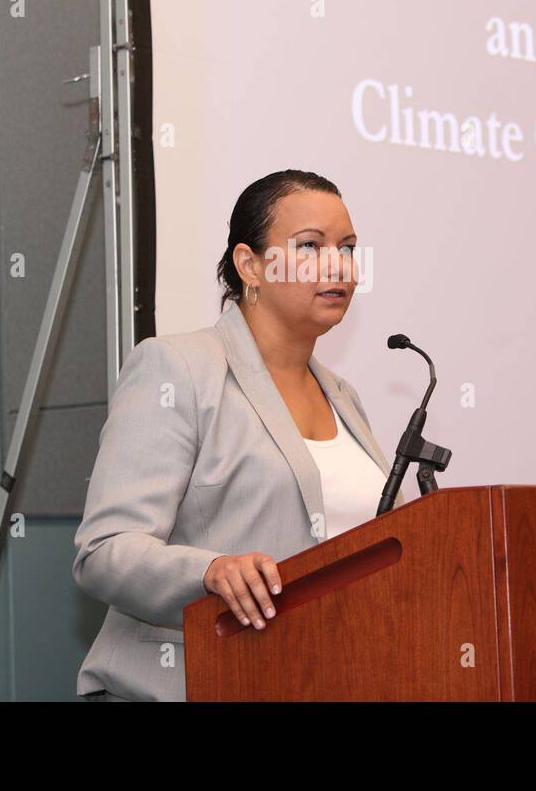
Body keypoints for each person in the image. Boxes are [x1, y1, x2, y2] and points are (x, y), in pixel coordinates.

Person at [73, 169, 405, 701]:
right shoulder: (178, 368)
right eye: (311, 246)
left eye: (347, 249)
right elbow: (105, 551)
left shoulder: (345, 397)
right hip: (189, 684)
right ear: (249, 264)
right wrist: (210, 571)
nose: (337, 265)